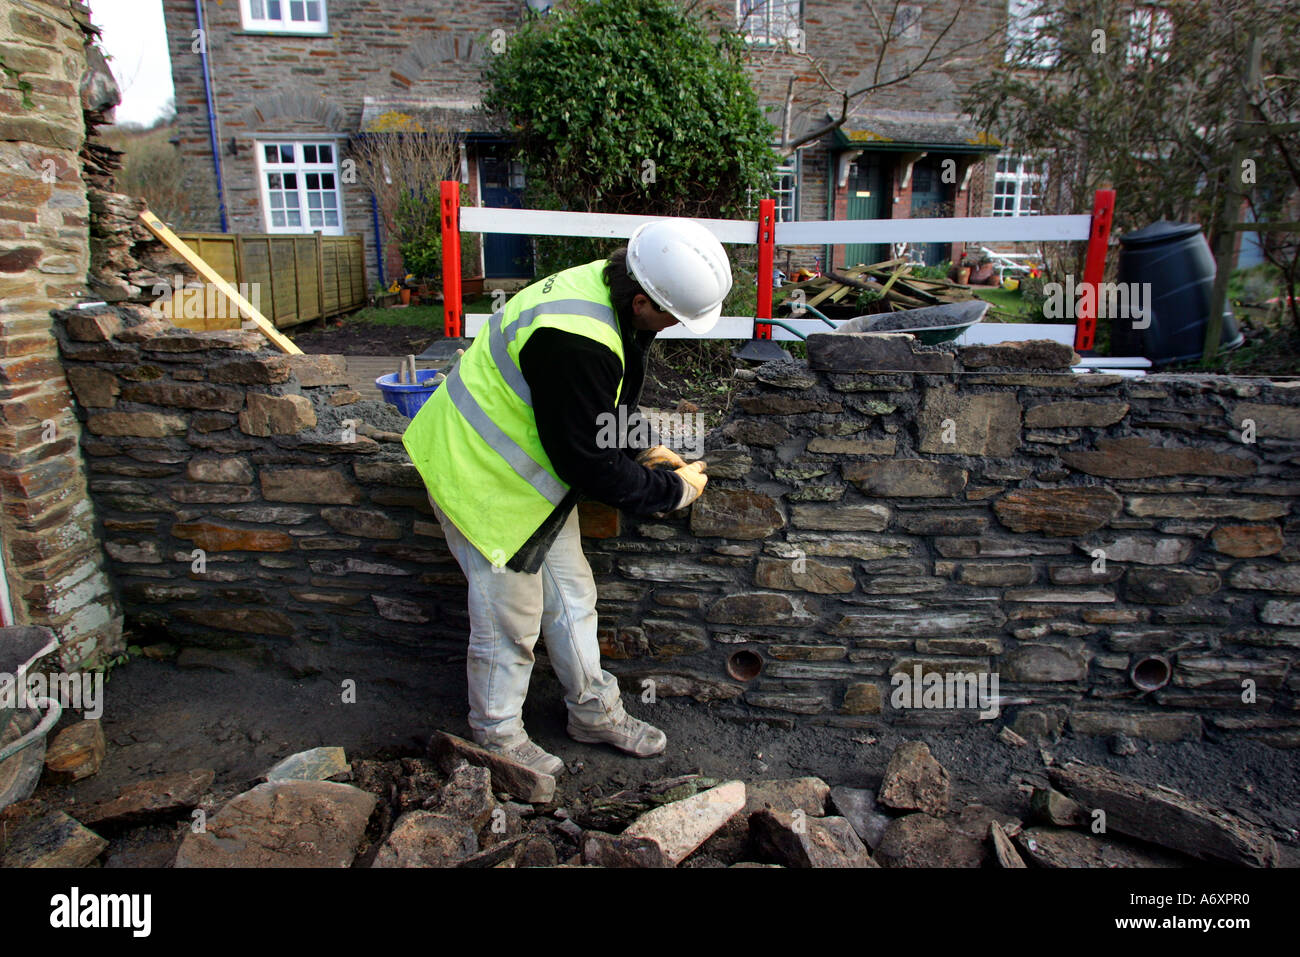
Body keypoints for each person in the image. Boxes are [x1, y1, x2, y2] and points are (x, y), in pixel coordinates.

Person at [403, 219, 733, 776]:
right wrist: (669, 491)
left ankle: (592, 712)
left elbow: (596, 411)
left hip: (526, 476)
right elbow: (586, 460)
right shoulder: (576, 339)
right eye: (673, 315)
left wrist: (642, 451)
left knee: (573, 595)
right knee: (511, 618)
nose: (676, 325)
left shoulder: (609, 290)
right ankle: (496, 738)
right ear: (641, 301)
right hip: (479, 474)